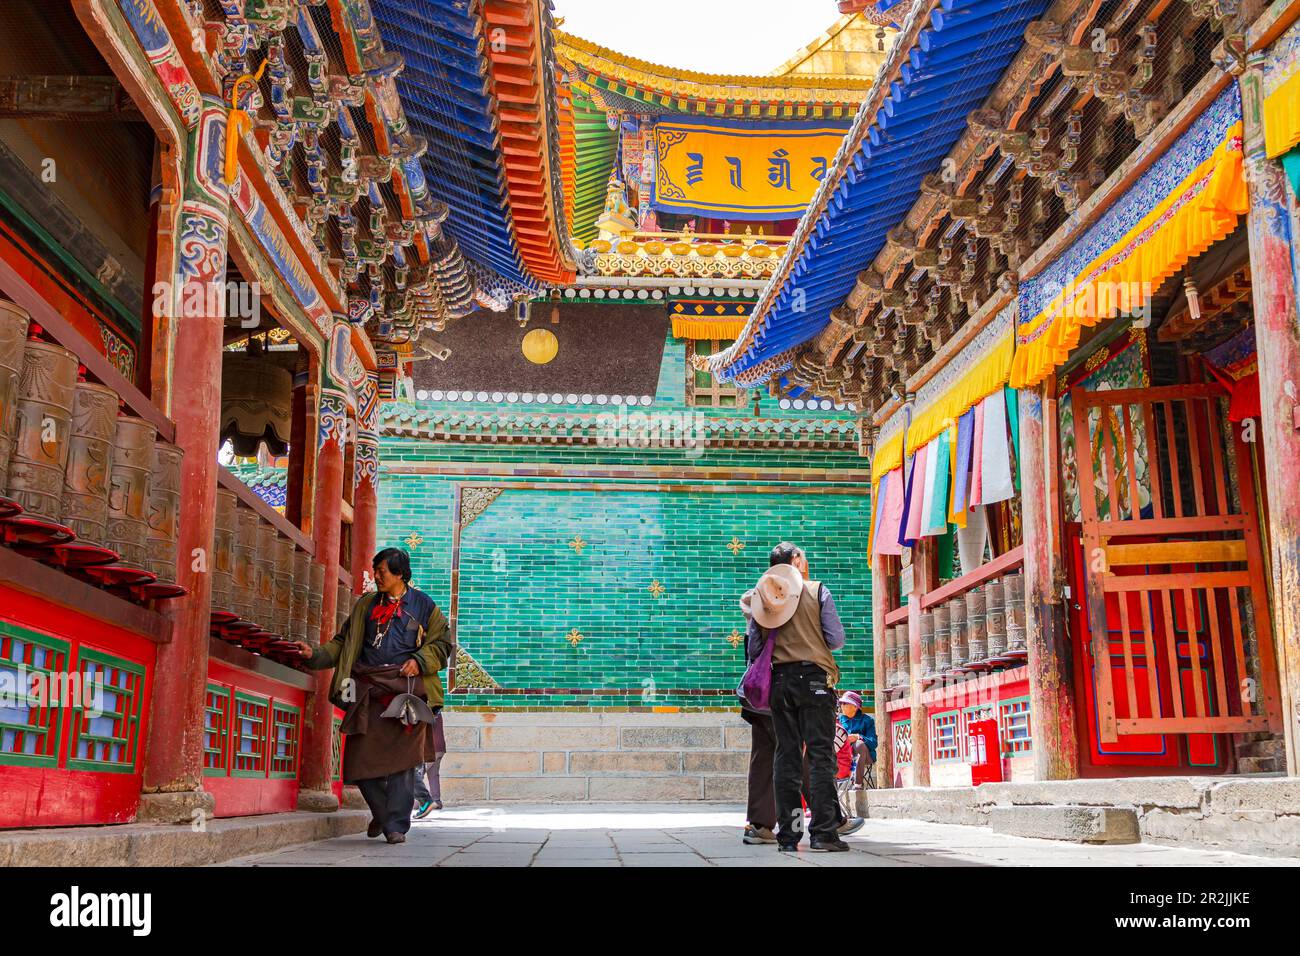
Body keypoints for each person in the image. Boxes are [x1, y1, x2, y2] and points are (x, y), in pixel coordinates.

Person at [293, 547, 452, 844]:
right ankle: (382, 813)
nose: (376, 576)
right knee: (359, 763)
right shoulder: (365, 605)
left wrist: (419, 660)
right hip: (366, 690)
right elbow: (343, 644)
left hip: (406, 693)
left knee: (404, 764)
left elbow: (443, 645)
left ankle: (396, 827)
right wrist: (314, 654)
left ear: (400, 574)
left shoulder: (425, 606)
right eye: (375, 570)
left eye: (382, 571)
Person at [746, 543, 863, 852]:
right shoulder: (817, 591)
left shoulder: (763, 598)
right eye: (804, 555)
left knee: (786, 758)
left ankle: (789, 836)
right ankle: (824, 833)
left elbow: (755, 649)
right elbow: (836, 639)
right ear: (795, 560)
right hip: (815, 682)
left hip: (781, 683)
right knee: (820, 757)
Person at [837, 690, 877, 789]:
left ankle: (858, 784)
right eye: (841, 703)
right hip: (844, 756)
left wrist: (858, 737)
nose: (841, 705)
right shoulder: (839, 720)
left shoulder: (867, 721)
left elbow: (873, 743)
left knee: (858, 744)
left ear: (855, 707)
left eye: (844, 703)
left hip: (864, 755)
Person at [412, 714, 447, 818]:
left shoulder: (425, 714)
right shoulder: (438, 714)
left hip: (430, 750)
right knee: (434, 775)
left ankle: (419, 802)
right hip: (440, 749)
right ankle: (436, 800)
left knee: (417, 774)